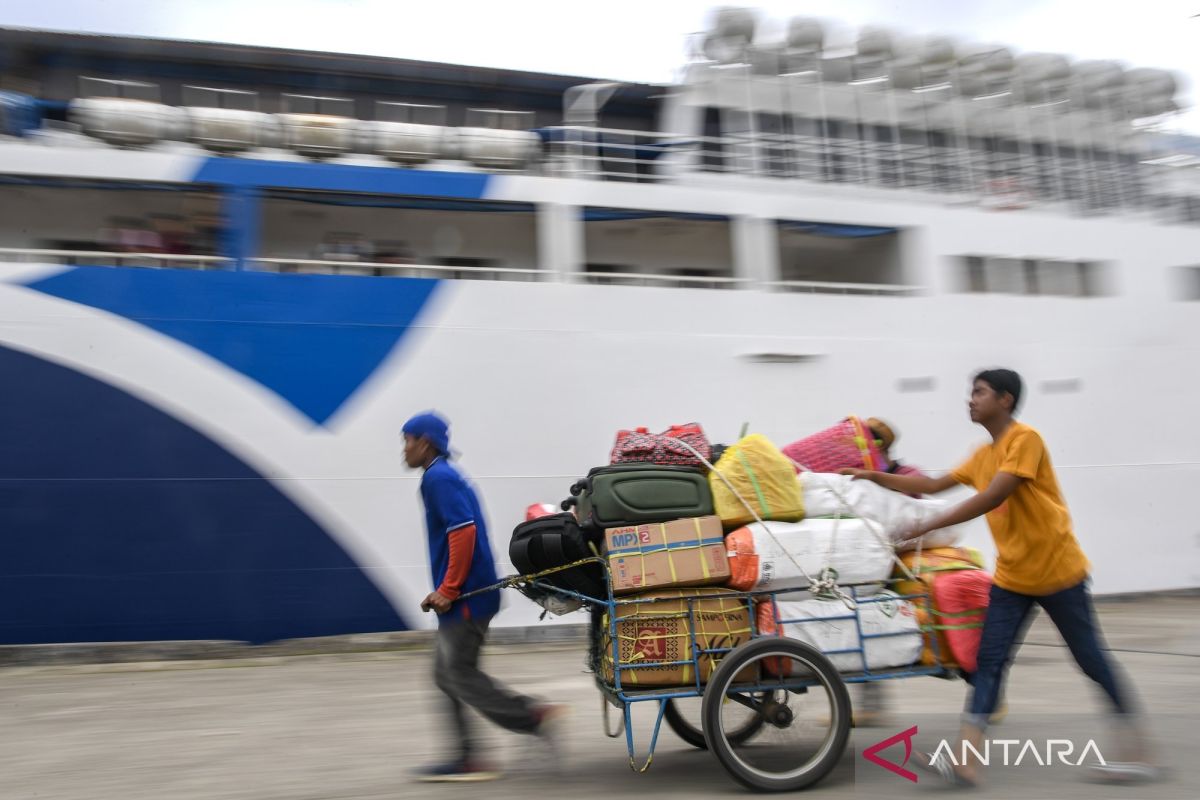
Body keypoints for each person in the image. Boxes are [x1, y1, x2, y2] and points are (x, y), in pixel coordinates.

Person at [842, 369, 1157, 787]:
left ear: (1004, 400)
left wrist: (920, 527)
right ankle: (965, 762)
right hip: (1013, 577)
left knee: (1091, 659)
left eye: (979, 392)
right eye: (971, 392)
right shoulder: (982, 453)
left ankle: (1139, 752)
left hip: (1058, 572)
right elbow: (934, 484)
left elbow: (993, 496)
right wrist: (877, 477)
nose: (970, 399)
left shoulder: (1025, 441)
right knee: (990, 663)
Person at [402, 411, 566, 782]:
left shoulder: (438, 478)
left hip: (466, 597)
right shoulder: (444, 475)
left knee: (456, 674)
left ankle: (528, 719)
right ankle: (468, 755)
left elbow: (463, 531)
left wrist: (448, 589)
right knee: (448, 676)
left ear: (424, 442)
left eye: (407, 440)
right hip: (468, 594)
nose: (404, 449)